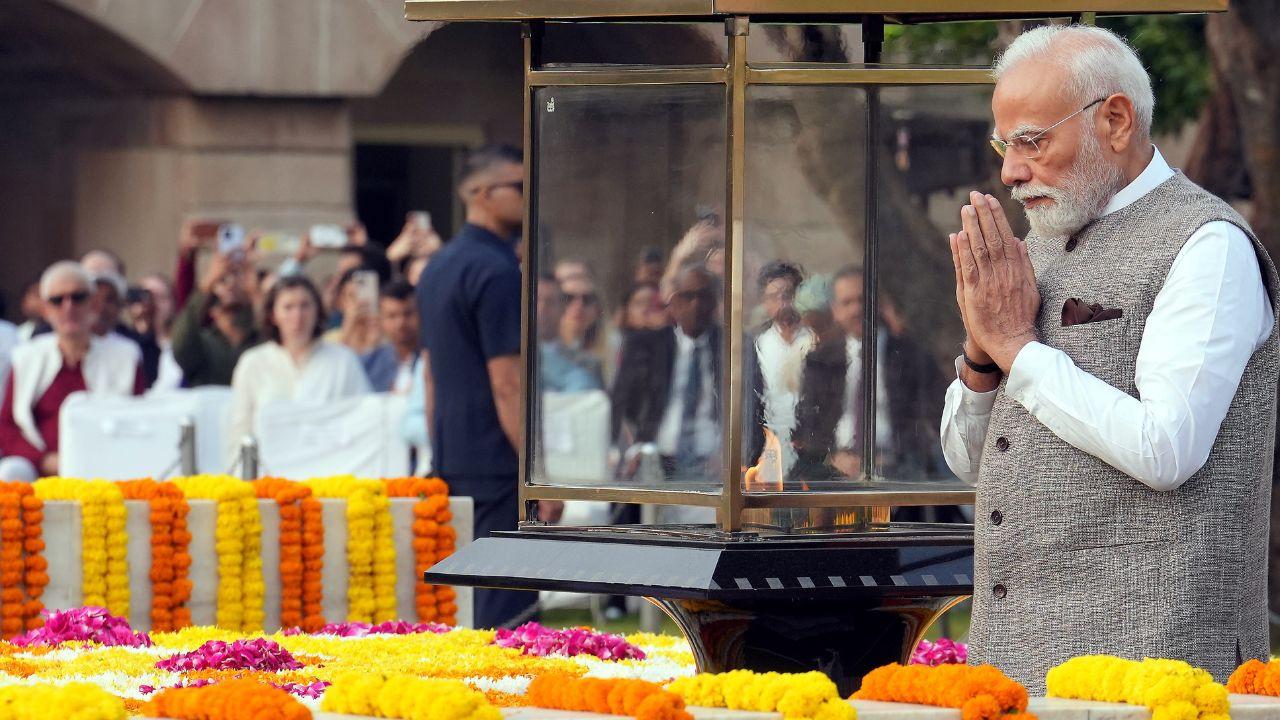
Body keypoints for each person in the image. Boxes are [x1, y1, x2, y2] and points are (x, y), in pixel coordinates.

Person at [940, 25, 1278, 689]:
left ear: (1116, 120)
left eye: (1032, 142)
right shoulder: (1035, 249)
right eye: (1004, 146)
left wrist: (1017, 349)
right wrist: (982, 361)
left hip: (1156, 676)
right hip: (1011, 673)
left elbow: (1167, 449)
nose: (1009, 171)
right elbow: (974, 465)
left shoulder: (1207, 245)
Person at [416, 144, 554, 629]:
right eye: (518, 186)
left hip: (455, 455)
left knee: (467, 609)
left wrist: (438, 452)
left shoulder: (437, 267)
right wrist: (535, 473)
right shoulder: (495, 271)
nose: (527, 195)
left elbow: (431, 376)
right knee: (506, 617)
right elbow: (507, 383)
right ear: (479, 192)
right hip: (497, 461)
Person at [612, 264, 764, 481]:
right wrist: (634, 446)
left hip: (714, 464)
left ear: (715, 303)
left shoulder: (735, 347)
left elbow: (756, 411)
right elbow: (622, 403)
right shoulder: (650, 346)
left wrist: (737, 459)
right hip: (656, 459)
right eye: (688, 297)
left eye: (704, 297)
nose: (696, 304)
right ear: (674, 303)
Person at [0, 262, 143, 481]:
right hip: (40, 469)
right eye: (57, 300)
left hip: (106, 467)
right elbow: (7, 426)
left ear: (94, 304)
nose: (68, 307)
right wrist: (44, 460)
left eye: (78, 297)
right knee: (9, 473)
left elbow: (138, 422)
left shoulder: (125, 356)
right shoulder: (26, 357)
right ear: (46, 310)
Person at [228, 275, 369, 456]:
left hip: (328, 471)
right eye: (288, 307)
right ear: (273, 315)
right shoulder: (253, 362)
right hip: (268, 477)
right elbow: (240, 429)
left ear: (318, 310)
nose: (298, 316)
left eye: (305, 306)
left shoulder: (343, 360)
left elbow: (362, 419)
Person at [753, 261, 815, 476]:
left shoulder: (815, 339)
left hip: (810, 447)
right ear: (765, 301)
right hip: (769, 446)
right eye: (774, 296)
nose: (782, 302)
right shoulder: (758, 344)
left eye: (787, 294)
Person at [171, 242, 261, 387]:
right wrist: (207, 283)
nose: (230, 284)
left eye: (237, 275)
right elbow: (181, 343)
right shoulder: (202, 344)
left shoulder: (261, 339)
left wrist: (257, 294)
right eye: (222, 279)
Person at [88, 272, 161, 389]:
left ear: (120, 306)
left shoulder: (136, 345)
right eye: (95, 298)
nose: (101, 307)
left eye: (109, 299)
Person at [361, 280, 420, 394]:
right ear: (380, 319)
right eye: (392, 316)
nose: (400, 323)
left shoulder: (435, 359)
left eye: (407, 314)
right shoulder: (369, 363)